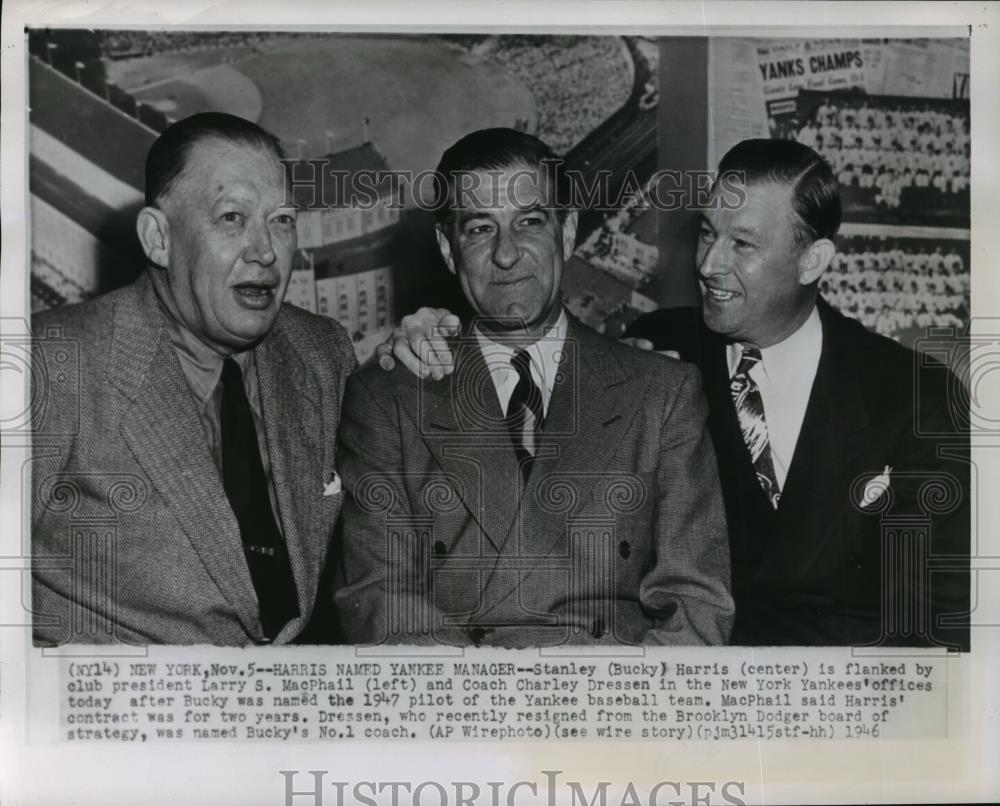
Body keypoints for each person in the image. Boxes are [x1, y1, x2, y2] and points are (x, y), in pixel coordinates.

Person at [383, 138, 969, 650]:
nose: (710, 264)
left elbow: (944, 624)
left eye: (743, 245)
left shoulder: (913, 395)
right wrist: (438, 330)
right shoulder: (657, 350)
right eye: (708, 233)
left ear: (812, 260)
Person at [334, 128, 733, 647]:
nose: (506, 254)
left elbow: (697, 605)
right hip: (458, 710)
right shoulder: (386, 398)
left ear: (566, 233)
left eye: (529, 222)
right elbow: (381, 603)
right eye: (480, 228)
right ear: (447, 249)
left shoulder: (662, 392)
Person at [31, 112, 357, 646]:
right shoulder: (52, 362)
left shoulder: (321, 351)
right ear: (158, 238)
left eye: (281, 220)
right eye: (232, 218)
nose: (266, 252)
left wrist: (415, 365)